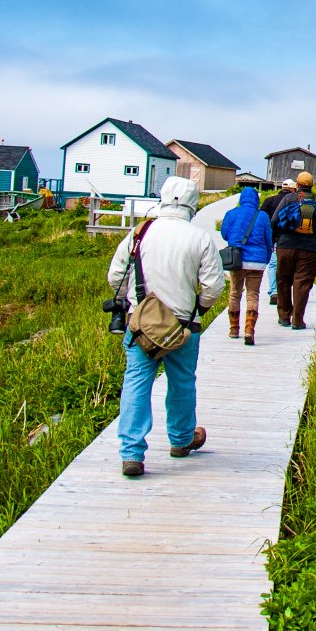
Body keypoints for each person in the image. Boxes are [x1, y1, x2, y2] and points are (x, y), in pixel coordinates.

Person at [107, 175, 225, 477]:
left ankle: (131, 453)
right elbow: (213, 286)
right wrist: (198, 308)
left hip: (141, 326)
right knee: (182, 381)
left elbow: (115, 277)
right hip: (183, 326)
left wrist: (134, 303)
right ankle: (181, 439)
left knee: (136, 383)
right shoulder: (199, 238)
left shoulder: (139, 232)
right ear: (192, 204)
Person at [271, 171, 316, 331]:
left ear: (297, 185)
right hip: (310, 248)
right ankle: (297, 320)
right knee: (303, 282)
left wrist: (272, 242)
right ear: (312, 186)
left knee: (283, 279)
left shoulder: (288, 198)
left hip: (285, 246)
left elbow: (274, 221)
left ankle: (284, 316)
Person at [216, 184, 273, 344]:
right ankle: (249, 330)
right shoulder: (262, 216)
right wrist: (266, 258)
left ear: (241, 199)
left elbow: (225, 234)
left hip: (237, 260)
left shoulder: (232, 214)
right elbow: (268, 239)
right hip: (257, 262)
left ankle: (234, 330)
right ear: (256, 200)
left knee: (235, 293)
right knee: (252, 295)